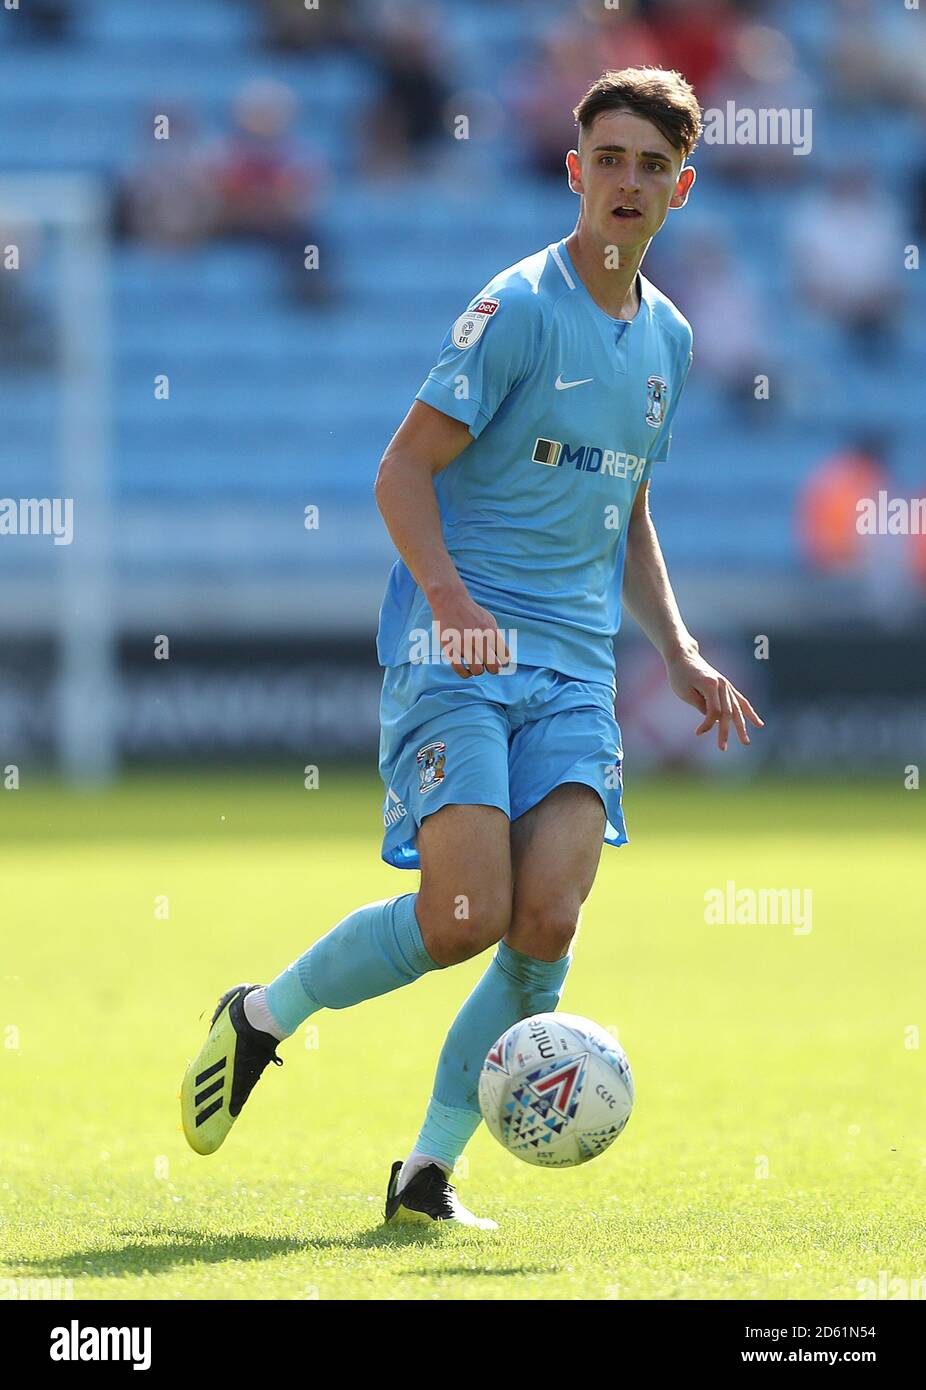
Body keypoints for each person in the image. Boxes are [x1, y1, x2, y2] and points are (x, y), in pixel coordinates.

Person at [180, 66, 763, 1228]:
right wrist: (448, 598)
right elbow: (401, 469)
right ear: (574, 170)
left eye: (651, 166)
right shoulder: (516, 308)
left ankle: (424, 1175)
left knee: (545, 920)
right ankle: (262, 1014)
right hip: (460, 650)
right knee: (462, 921)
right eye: (607, 158)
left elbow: (626, 510)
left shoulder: (671, 341)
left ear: (679, 188)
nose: (626, 182)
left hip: (576, 670)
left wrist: (682, 649)